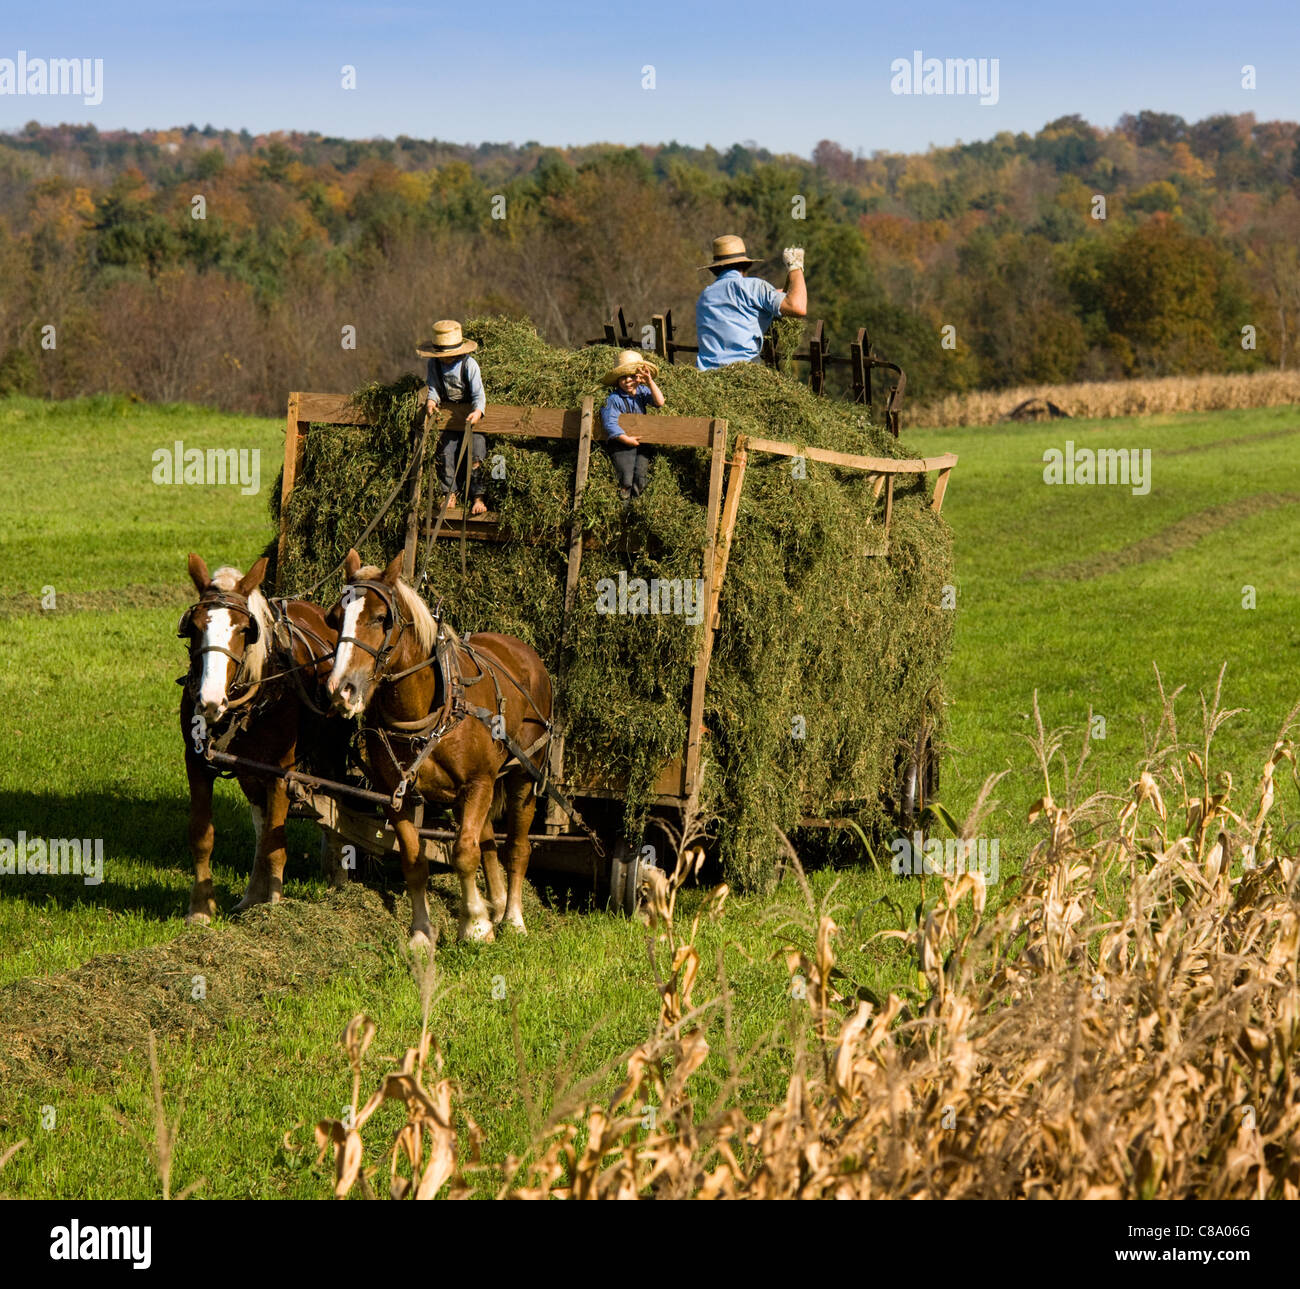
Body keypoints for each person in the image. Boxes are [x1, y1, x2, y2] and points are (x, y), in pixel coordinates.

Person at [694, 234, 807, 370]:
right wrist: (795, 267)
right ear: (745, 265)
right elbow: (798, 307)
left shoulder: (705, 296)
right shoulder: (755, 287)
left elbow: (737, 307)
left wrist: (773, 295)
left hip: (705, 375)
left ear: (715, 268)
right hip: (742, 372)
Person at [418, 319, 488, 516]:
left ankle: (478, 497)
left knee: (477, 453)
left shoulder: (469, 365)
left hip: (471, 419)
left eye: (448, 355)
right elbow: (433, 388)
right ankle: (450, 493)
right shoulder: (435, 365)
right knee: (445, 451)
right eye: (441, 355)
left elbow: (478, 394)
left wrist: (477, 412)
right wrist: (431, 402)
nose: (445, 359)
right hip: (448, 417)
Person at [600, 349, 665, 501]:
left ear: (639, 377)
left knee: (641, 478)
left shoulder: (642, 392)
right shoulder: (613, 399)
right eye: (623, 377)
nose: (628, 381)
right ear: (617, 380)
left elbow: (660, 402)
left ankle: (636, 506)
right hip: (622, 445)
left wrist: (650, 382)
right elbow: (610, 423)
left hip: (641, 442)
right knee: (626, 478)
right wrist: (625, 439)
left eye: (632, 376)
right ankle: (623, 506)